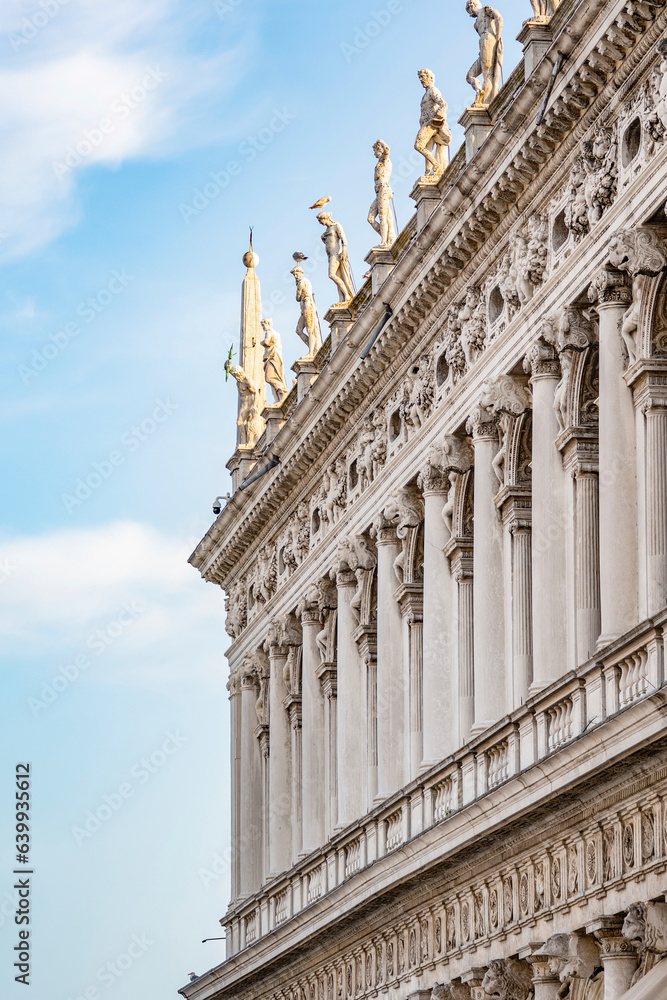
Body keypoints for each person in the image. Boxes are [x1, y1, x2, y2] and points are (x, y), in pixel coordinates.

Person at [465, 0, 504, 107]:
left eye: (468, 10)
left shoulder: (486, 10)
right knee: (470, 76)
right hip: (483, 44)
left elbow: (499, 18)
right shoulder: (475, 24)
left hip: (489, 38)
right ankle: (480, 91)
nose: (470, 14)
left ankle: (488, 100)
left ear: (471, 6)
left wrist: (497, 36)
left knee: (488, 72)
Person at [415, 69, 452, 178]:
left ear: (430, 77)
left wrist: (440, 113)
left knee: (418, 145)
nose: (421, 80)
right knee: (428, 148)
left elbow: (443, 103)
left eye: (423, 77)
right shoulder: (426, 93)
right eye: (420, 78)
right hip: (425, 123)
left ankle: (437, 166)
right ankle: (428, 172)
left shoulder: (433, 90)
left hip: (431, 123)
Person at [316, 212, 355, 302]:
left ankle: (347, 295)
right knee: (338, 275)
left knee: (332, 275)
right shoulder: (327, 230)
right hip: (330, 255)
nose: (320, 222)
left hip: (336, 253)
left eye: (320, 220)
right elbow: (329, 242)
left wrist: (344, 252)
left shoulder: (336, 225)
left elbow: (344, 240)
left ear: (325, 218)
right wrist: (323, 239)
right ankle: (342, 298)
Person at [368, 140, 397, 245]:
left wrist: (381, 141)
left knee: (382, 217)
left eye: (375, 150)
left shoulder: (385, 160)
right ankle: (388, 237)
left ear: (379, 149)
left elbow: (387, 149)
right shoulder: (379, 163)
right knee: (370, 218)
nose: (374, 153)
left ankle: (384, 242)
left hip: (384, 189)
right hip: (378, 192)